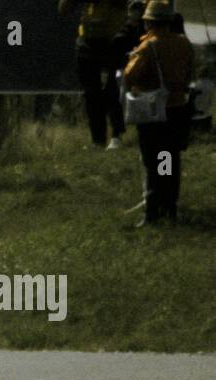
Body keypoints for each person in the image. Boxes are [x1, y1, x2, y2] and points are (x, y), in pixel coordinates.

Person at [123, 1, 194, 225]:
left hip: (153, 111)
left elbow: (129, 77)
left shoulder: (148, 47)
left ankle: (152, 211)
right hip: (177, 109)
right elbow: (190, 72)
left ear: (149, 22)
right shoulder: (183, 44)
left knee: (151, 161)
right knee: (169, 158)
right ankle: (169, 206)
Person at [60, 1, 130, 149]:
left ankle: (116, 135)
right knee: (91, 94)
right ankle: (97, 139)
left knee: (112, 91)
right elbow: (64, 9)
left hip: (112, 41)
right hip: (87, 43)